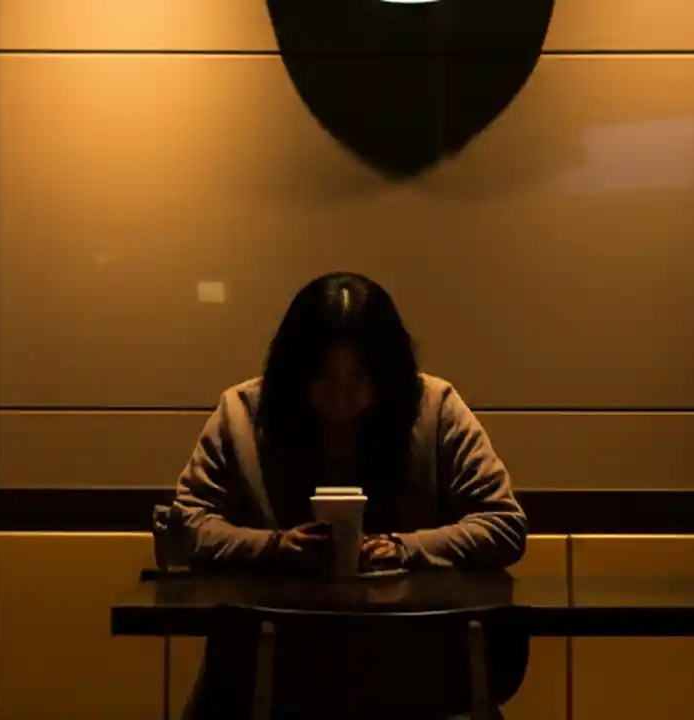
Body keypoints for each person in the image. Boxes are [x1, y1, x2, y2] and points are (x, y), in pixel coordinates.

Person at [171, 271, 527, 718]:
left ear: (389, 373)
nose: (342, 395)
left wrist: (404, 548)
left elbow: (503, 522)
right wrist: (274, 547)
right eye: (323, 376)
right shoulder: (243, 414)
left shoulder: (434, 407)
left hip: (413, 667)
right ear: (293, 371)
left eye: (359, 376)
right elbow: (186, 525)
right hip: (275, 665)